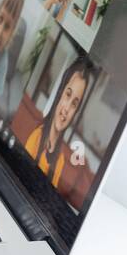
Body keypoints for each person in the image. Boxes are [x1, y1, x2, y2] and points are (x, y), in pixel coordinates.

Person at [25, 55, 96, 189]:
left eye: (74, 104)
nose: (67, 108)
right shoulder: (36, 138)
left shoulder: (60, 160)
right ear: (59, 93)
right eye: (68, 95)